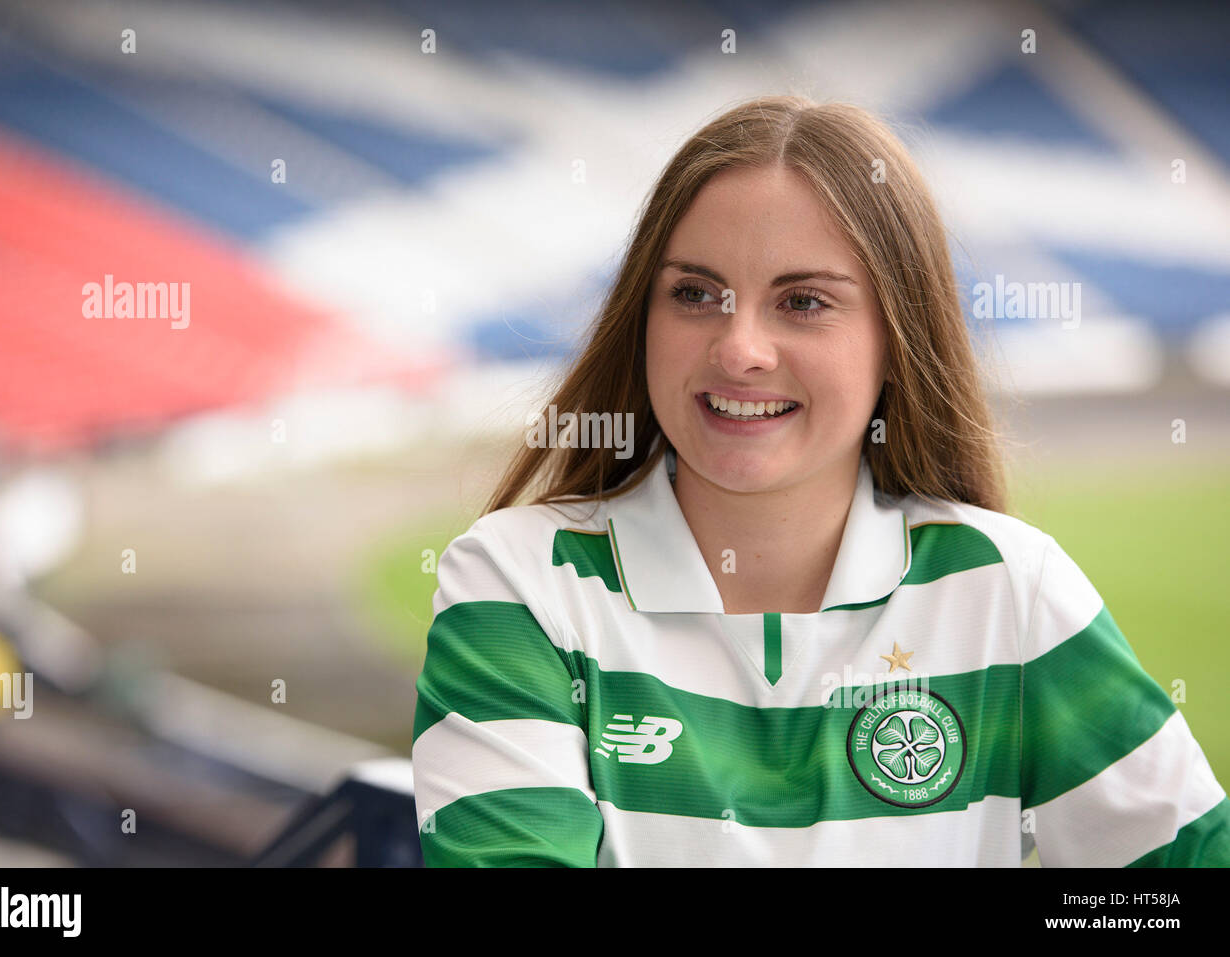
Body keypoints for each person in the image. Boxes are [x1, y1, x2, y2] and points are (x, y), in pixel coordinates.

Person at [409, 94, 1230, 866]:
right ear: (642, 318)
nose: (740, 348)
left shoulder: (1009, 587)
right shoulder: (517, 581)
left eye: (802, 302)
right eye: (695, 293)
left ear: (897, 338)